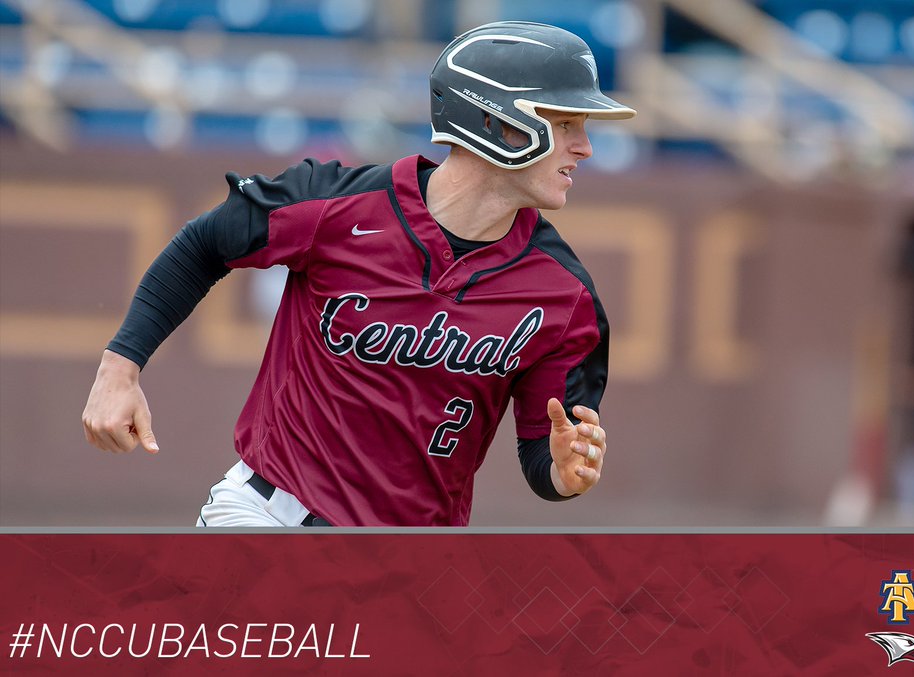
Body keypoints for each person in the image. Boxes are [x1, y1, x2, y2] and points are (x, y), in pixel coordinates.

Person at [80, 21, 636, 526]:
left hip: (412, 566)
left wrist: (565, 474)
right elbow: (204, 244)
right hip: (270, 517)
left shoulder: (566, 296)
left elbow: (543, 454)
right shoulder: (332, 204)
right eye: (565, 124)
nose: (584, 147)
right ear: (497, 122)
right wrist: (120, 368)